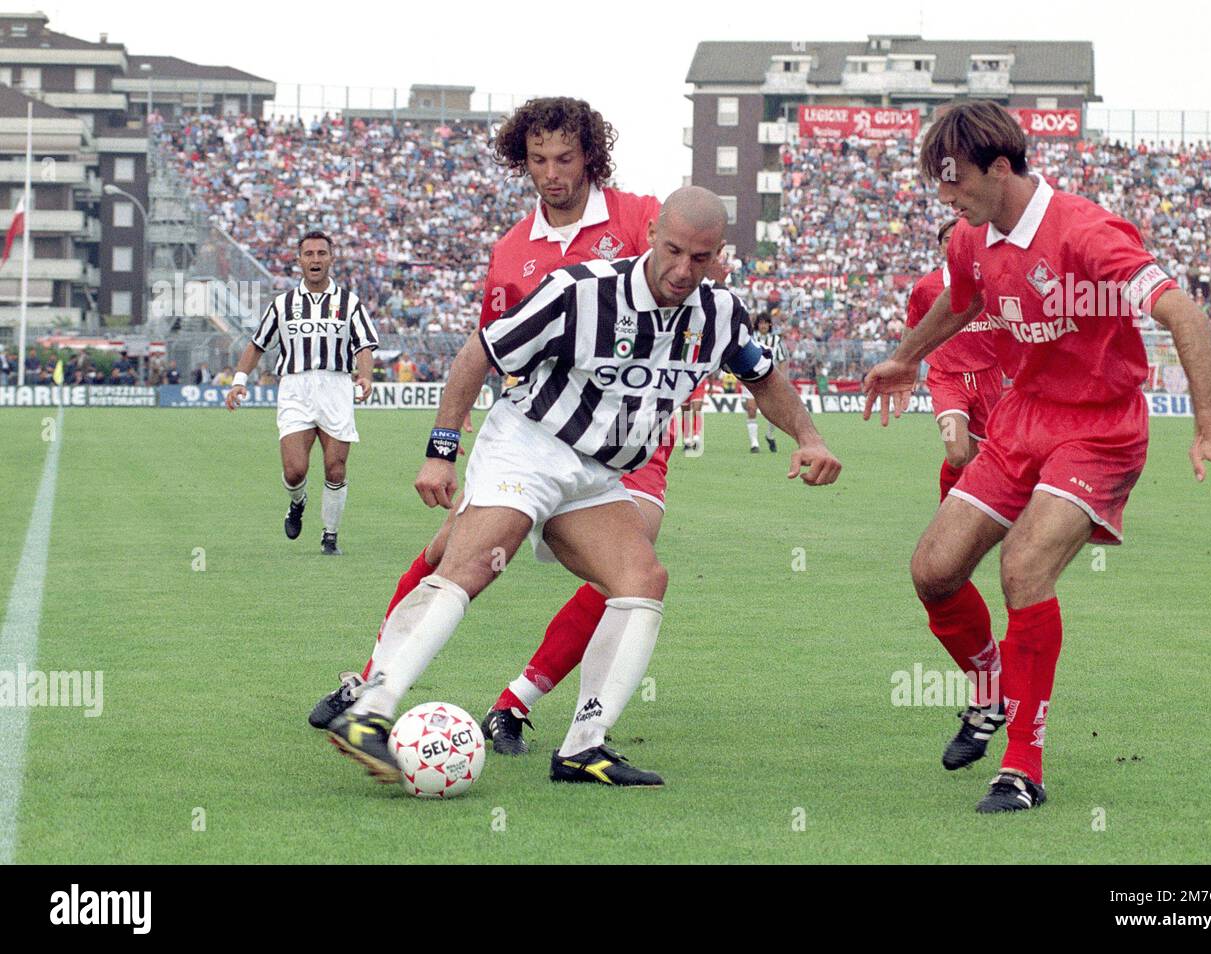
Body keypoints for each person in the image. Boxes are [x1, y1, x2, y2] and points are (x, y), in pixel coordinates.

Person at [324, 187, 841, 787]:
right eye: (673, 251)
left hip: (596, 474)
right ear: (652, 235)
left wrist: (810, 437)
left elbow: (764, 378)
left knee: (642, 581)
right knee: (477, 561)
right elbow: (480, 352)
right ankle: (370, 709)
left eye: (700, 259)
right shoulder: (581, 292)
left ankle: (582, 748)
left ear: (718, 255)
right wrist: (441, 452)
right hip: (528, 446)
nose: (682, 271)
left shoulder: (720, 314)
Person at [864, 101, 1211, 814]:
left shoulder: (1085, 232)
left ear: (1002, 167)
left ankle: (1023, 765)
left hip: (1100, 428)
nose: (946, 197)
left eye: (955, 182)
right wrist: (904, 359)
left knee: (1023, 566)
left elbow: (1182, 313)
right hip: (1022, 421)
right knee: (934, 572)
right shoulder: (970, 236)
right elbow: (962, 300)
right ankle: (991, 694)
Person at [309, 98, 713, 755]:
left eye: (565, 158)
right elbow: (491, 352)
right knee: (453, 549)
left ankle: (519, 703)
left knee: (631, 563)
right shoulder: (512, 252)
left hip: (630, 442)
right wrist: (452, 442)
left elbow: (692, 282)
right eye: (538, 160)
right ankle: (372, 686)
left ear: (591, 156)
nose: (552, 173)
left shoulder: (641, 219)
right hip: (540, 434)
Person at [225, 231, 378, 555]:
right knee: (295, 471)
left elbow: (364, 344)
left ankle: (330, 535)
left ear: (331, 259)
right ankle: (298, 502)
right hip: (295, 387)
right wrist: (240, 379)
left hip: (336, 386)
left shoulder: (349, 302)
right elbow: (257, 344)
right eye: (309, 254)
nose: (316, 259)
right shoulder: (283, 305)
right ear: (299, 261)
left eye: (322, 253)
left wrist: (365, 377)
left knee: (335, 467)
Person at [905, 218, 1004, 500]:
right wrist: (905, 365)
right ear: (940, 248)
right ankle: (945, 510)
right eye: (947, 240)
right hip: (948, 378)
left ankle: (965, 513)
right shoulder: (927, 287)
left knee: (978, 459)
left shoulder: (993, 278)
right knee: (958, 452)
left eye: (960, 238)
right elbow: (912, 327)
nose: (954, 245)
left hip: (989, 376)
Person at [745, 312, 790, 452]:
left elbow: (783, 360)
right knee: (751, 409)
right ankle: (754, 444)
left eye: (765, 323)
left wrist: (782, 378)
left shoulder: (776, 340)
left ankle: (769, 435)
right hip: (751, 378)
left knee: (774, 413)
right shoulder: (751, 339)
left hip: (770, 380)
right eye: (760, 323)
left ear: (769, 324)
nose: (763, 325)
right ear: (757, 325)